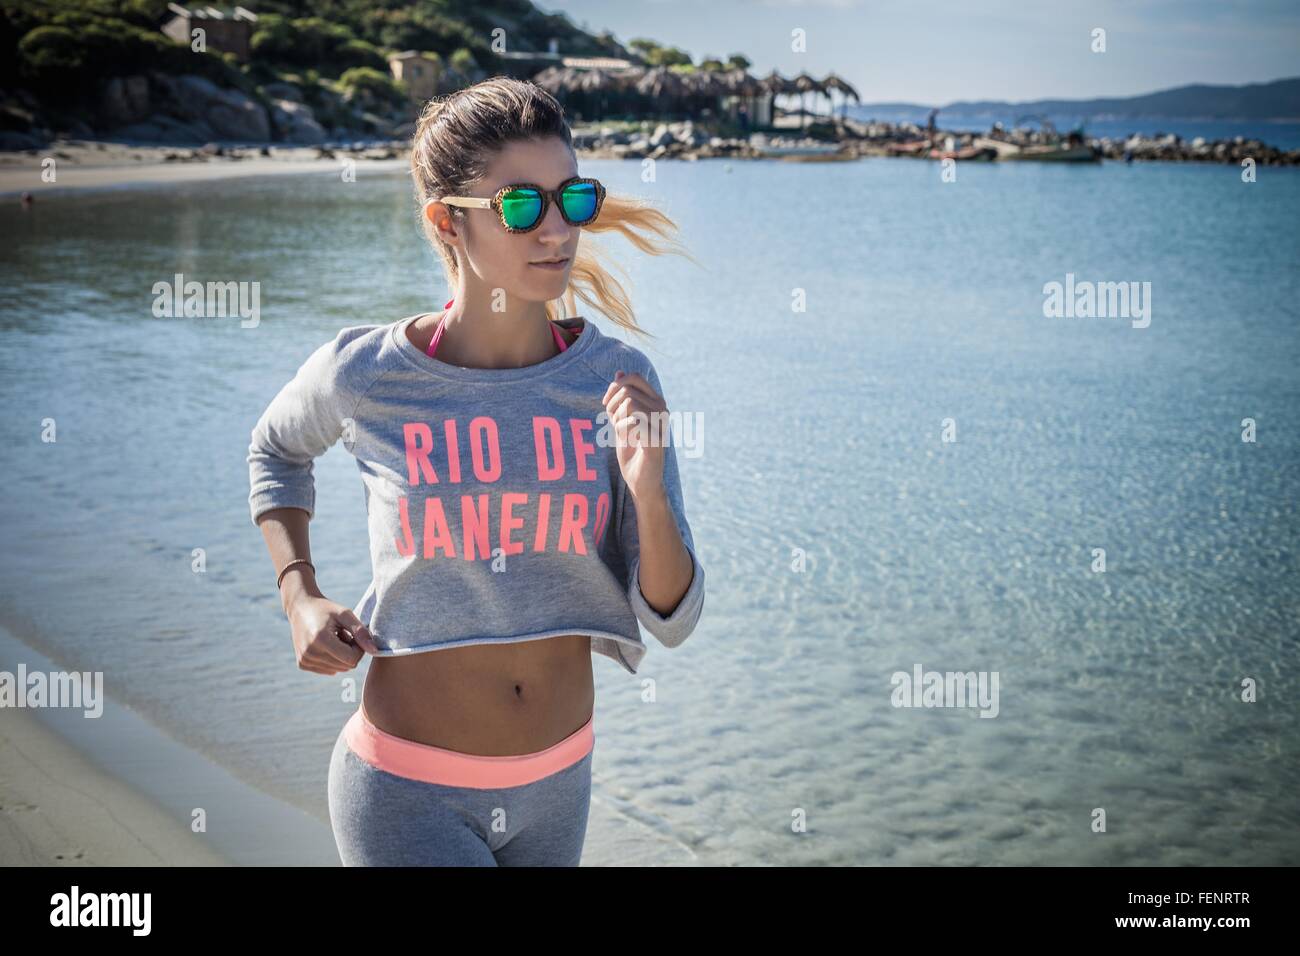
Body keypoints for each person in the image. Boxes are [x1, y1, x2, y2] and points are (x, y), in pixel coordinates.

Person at [247, 77, 706, 866]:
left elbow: (672, 617)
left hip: (560, 785)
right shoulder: (367, 373)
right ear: (445, 222)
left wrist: (649, 488)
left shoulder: (617, 378)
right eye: (522, 206)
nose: (556, 229)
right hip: (406, 791)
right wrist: (300, 596)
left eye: (573, 199)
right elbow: (276, 450)